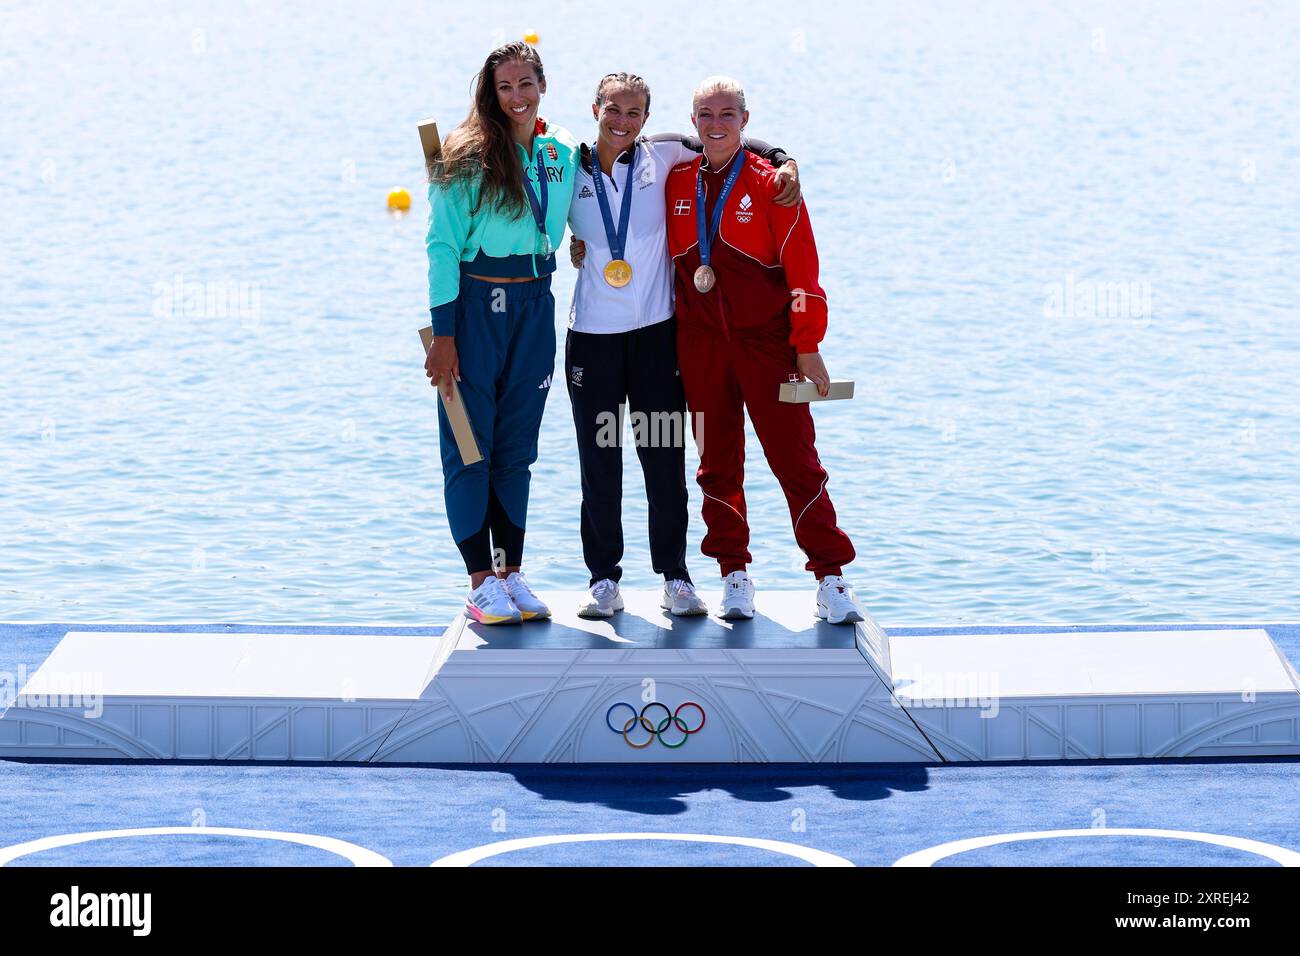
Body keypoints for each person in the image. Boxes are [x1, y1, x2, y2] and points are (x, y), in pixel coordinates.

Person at [565, 72, 803, 619]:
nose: (622, 121)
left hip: (656, 339)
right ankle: (603, 579)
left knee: (663, 460)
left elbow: (735, 141)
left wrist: (786, 158)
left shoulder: (666, 152)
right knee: (599, 463)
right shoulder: (564, 167)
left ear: (647, 119)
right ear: (595, 107)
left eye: (634, 113)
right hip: (592, 341)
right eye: (613, 110)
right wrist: (575, 250)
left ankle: (674, 575)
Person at [663, 76, 866, 624]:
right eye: (705, 115)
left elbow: (804, 268)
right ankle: (734, 574)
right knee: (716, 464)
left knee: (796, 461)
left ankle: (830, 578)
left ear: (746, 120)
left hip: (768, 345)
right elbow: (631, 145)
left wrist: (808, 346)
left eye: (728, 114)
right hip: (701, 345)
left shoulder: (773, 183)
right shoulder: (676, 177)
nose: (716, 124)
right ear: (693, 122)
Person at [423, 42, 578, 625]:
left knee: (517, 450)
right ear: (490, 92)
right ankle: (480, 582)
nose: (517, 96)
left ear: (542, 84)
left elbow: (623, 160)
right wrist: (444, 335)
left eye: (526, 84)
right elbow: (440, 247)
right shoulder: (463, 155)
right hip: (474, 308)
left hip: (536, 302)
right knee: (470, 447)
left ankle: (512, 573)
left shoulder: (562, 148)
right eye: (505, 87)